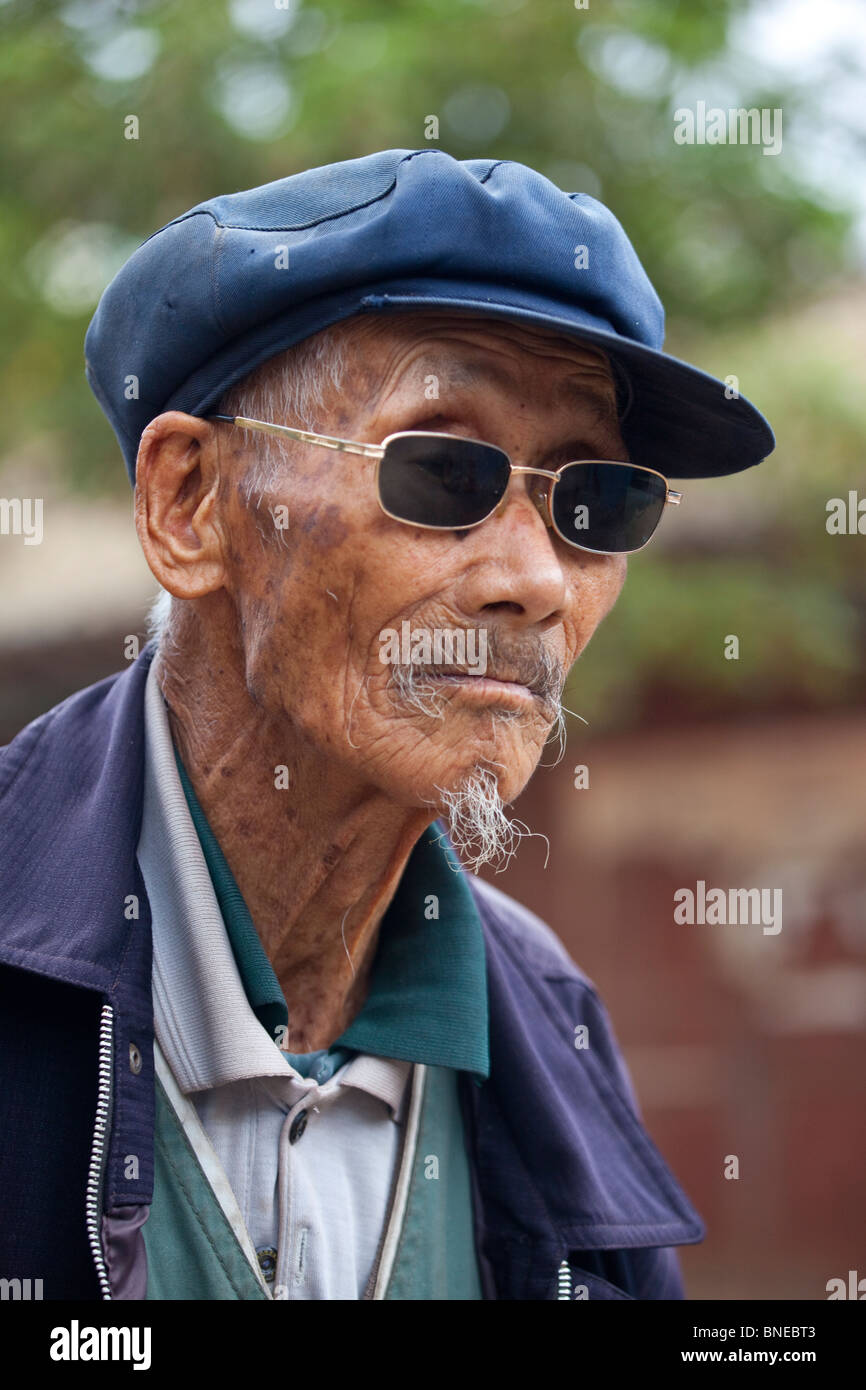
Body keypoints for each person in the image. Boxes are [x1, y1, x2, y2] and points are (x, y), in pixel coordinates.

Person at [0, 148, 774, 1301]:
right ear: (189, 503)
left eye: (591, 498)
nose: (536, 582)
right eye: (441, 470)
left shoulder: (544, 1022)